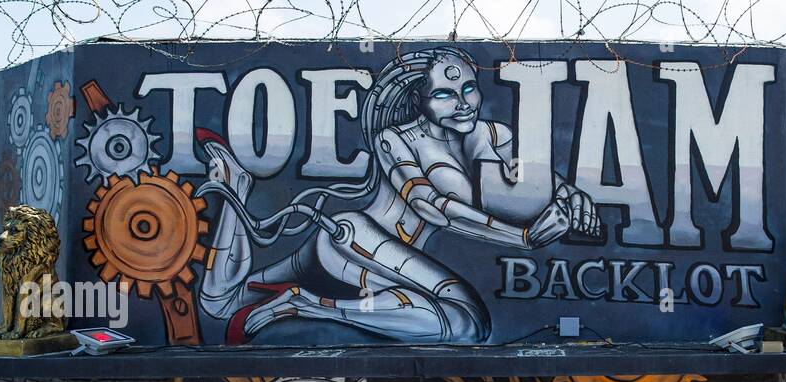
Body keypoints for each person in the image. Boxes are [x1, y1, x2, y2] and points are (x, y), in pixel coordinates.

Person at [194, 46, 600, 344]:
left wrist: (571, 195)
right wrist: (523, 239)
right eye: (444, 94)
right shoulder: (397, 139)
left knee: (220, 305)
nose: (463, 104)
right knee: (469, 323)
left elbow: (536, 181)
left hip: (386, 266)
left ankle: (234, 187)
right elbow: (434, 208)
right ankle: (303, 305)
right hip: (354, 240)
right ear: (419, 99)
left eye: (470, 89)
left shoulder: (491, 136)